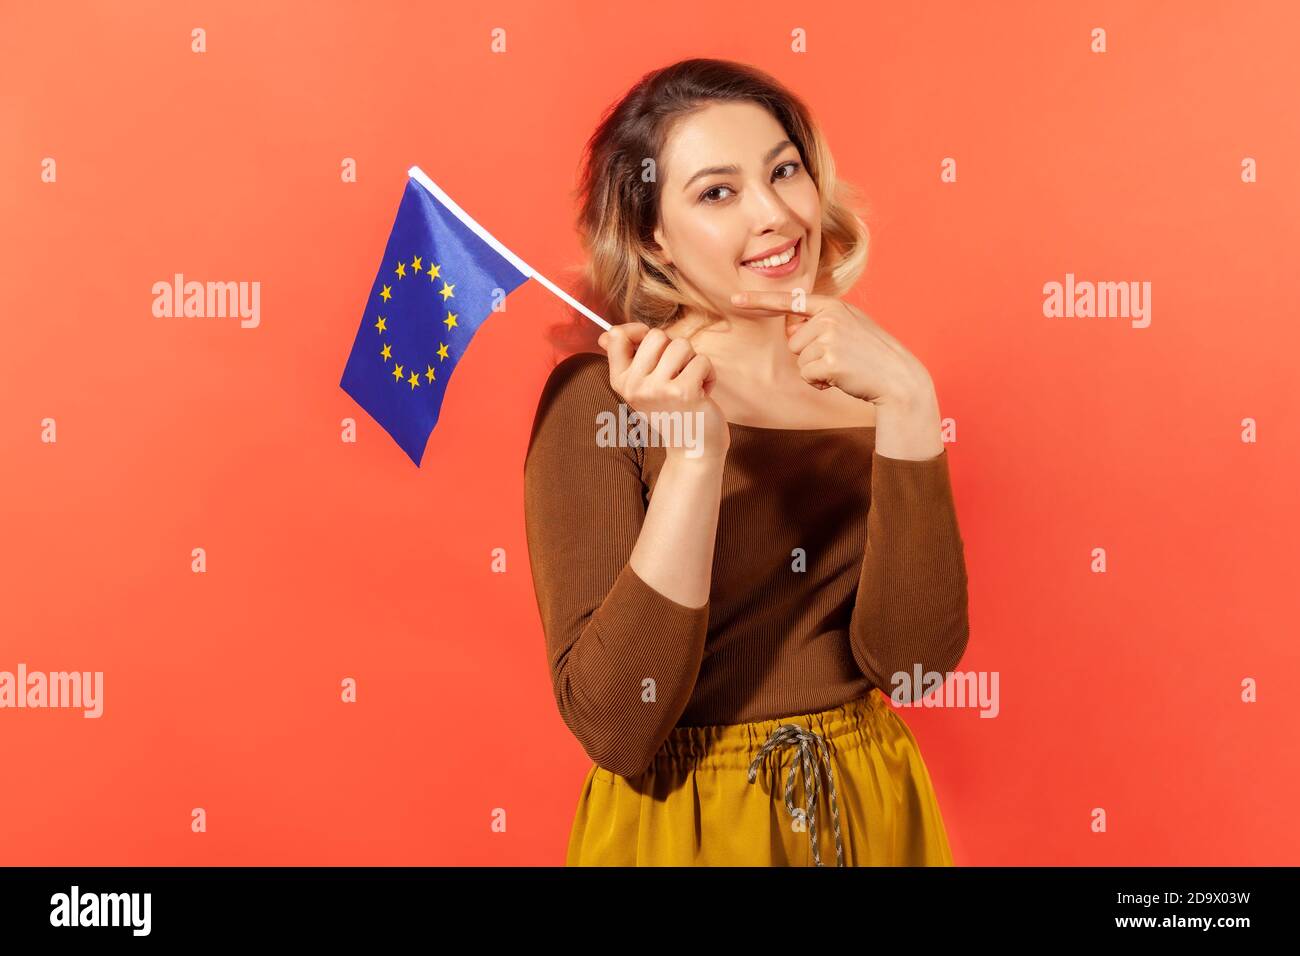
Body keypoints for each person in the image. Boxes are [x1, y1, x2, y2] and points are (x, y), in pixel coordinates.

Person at [523, 58, 970, 866]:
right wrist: (695, 459)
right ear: (653, 234)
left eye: (784, 171)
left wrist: (911, 404)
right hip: (687, 825)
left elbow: (909, 671)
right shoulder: (603, 400)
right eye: (717, 192)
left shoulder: (873, 388)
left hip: (873, 806)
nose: (775, 214)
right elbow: (619, 722)